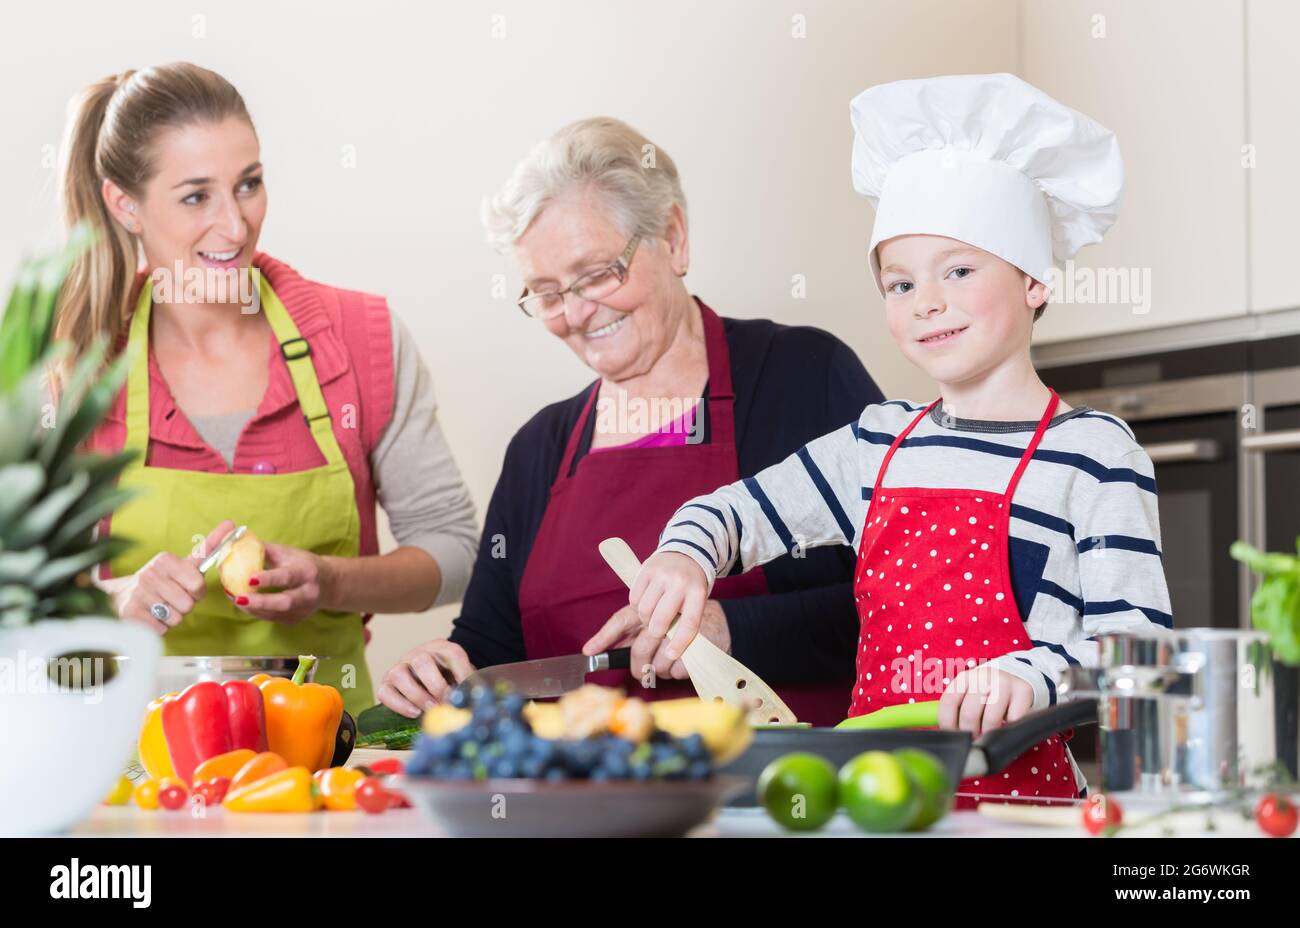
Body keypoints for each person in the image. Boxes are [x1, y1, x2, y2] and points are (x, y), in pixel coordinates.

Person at [624, 74, 1173, 804]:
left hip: (1023, 810)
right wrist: (684, 555)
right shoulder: (876, 445)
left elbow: (1141, 665)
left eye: (959, 270)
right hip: (874, 801)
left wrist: (1030, 675)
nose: (929, 303)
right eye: (900, 284)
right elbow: (733, 514)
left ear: (1035, 279)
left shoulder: (1095, 456)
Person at [378, 117, 883, 725]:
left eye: (595, 275)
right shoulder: (540, 448)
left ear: (672, 237)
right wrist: (442, 669)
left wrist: (730, 628)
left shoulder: (803, 376)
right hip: (581, 799)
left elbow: (907, 602)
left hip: (780, 795)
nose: (576, 313)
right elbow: (492, 651)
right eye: (546, 292)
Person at [58, 63, 478, 715]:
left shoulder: (359, 339)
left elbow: (456, 550)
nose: (235, 226)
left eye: (249, 184)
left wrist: (331, 580)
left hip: (325, 764)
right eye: (196, 196)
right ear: (125, 204)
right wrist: (113, 601)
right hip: (133, 773)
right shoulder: (76, 365)